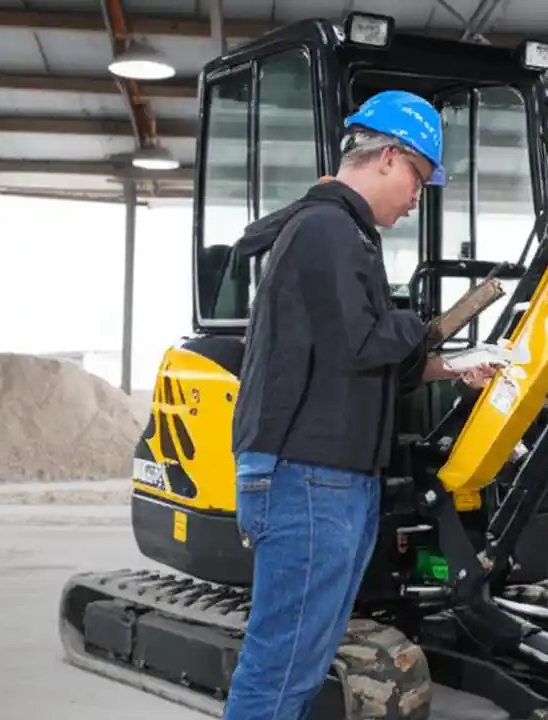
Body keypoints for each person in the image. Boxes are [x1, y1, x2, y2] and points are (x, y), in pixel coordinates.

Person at [223, 90, 498, 720]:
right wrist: (423, 324)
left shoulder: (339, 233)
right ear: (389, 157)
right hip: (309, 476)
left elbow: (358, 357)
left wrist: (450, 366)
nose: (416, 198)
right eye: (418, 179)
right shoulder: (327, 231)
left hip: (333, 476)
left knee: (304, 660)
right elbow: (363, 341)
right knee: (282, 664)